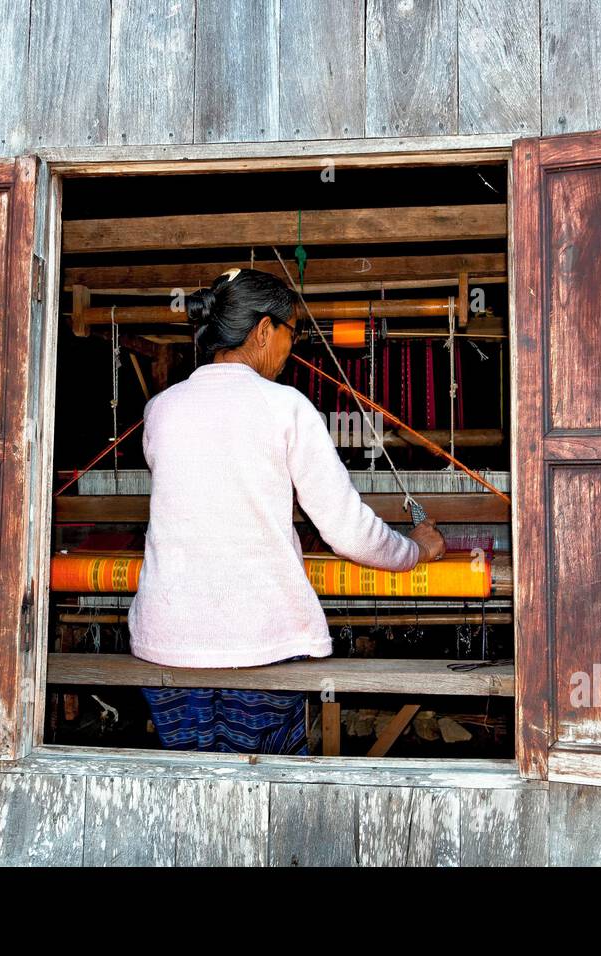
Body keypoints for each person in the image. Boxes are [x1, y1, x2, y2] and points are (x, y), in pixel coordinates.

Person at [127, 268, 446, 755]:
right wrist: (415, 552)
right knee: (263, 798)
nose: (290, 350)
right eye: (289, 333)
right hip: (259, 649)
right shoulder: (286, 407)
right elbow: (348, 532)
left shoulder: (162, 409)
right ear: (262, 330)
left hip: (165, 649)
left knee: (189, 792)